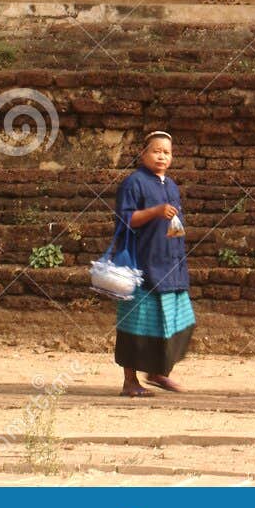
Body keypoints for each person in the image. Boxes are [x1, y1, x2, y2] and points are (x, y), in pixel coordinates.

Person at [113, 131, 194, 397]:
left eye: (167, 152)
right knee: (135, 326)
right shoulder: (133, 183)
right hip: (141, 263)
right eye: (156, 150)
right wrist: (155, 212)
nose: (162, 156)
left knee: (177, 321)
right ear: (143, 153)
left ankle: (158, 372)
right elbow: (125, 219)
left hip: (169, 261)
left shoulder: (170, 185)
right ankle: (130, 381)